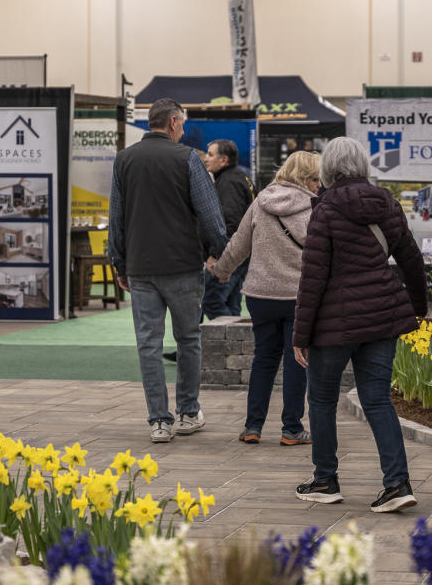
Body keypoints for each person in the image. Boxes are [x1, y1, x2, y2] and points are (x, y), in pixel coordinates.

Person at [292, 136, 427, 513]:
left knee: (322, 399)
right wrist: (417, 308)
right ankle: (397, 484)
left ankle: (325, 480)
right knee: (378, 398)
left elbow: (313, 277)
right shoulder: (387, 204)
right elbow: (411, 259)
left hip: (333, 323)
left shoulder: (325, 209)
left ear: (328, 169)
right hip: (382, 316)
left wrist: (301, 334)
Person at [108, 98, 229, 444]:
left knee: (148, 344)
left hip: (141, 266)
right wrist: (222, 256)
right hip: (182, 266)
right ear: (174, 122)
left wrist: (119, 262)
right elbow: (210, 215)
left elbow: (116, 217)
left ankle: (159, 422)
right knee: (188, 338)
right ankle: (188, 413)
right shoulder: (188, 158)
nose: (184, 130)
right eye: (183, 123)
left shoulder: (123, 160)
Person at [212, 151, 319, 446]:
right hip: (299, 297)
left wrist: (222, 270)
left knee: (264, 359)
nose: (318, 185)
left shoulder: (261, 202)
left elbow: (239, 243)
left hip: (260, 295)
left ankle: (253, 426)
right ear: (307, 178)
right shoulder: (315, 208)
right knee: (298, 360)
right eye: (315, 179)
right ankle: (291, 429)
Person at [201, 139, 254, 319]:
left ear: (224, 160)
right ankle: (238, 338)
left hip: (230, 254)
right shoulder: (240, 177)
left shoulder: (228, 182)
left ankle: (229, 337)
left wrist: (217, 255)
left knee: (212, 301)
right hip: (242, 254)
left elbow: (230, 223)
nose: (206, 159)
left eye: (210, 155)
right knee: (232, 304)